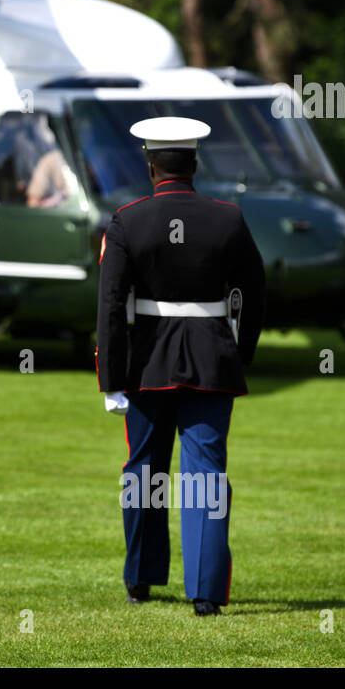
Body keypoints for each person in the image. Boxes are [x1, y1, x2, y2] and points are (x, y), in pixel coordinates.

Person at [95, 117, 265, 616]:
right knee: (206, 476)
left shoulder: (128, 219)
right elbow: (255, 293)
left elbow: (109, 304)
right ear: (194, 163)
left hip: (146, 362)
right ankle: (206, 593)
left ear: (151, 166)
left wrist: (110, 379)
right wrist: (243, 352)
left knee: (144, 471)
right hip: (212, 358)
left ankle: (141, 578)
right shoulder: (227, 218)